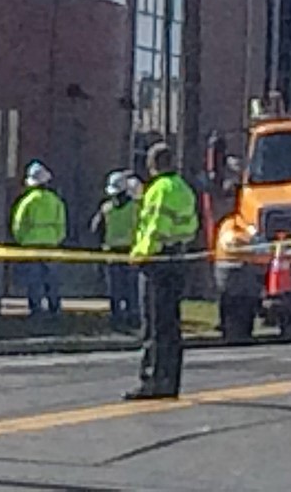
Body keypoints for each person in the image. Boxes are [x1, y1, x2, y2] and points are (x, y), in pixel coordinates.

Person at [125, 143, 198, 400]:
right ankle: (170, 380)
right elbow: (191, 227)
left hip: (157, 263)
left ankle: (152, 380)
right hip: (177, 259)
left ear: (152, 164)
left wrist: (140, 255)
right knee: (171, 325)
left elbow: (156, 228)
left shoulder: (159, 190)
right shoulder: (183, 188)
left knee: (154, 324)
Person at [11, 161, 66, 318]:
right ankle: (54, 307)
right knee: (52, 279)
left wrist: (22, 240)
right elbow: (61, 223)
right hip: (51, 244)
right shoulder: (55, 200)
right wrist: (56, 238)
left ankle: (36, 309)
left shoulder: (27, 201)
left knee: (34, 280)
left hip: (31, 244)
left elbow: (18, 224)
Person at [89, 171, 141, 332]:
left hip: (112, 253)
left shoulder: (106, 208)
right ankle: (133, 317)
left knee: (115, 289)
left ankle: (117, 319)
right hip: (130, 252)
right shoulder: (136, 208)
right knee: (131, 288)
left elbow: (95, 230)